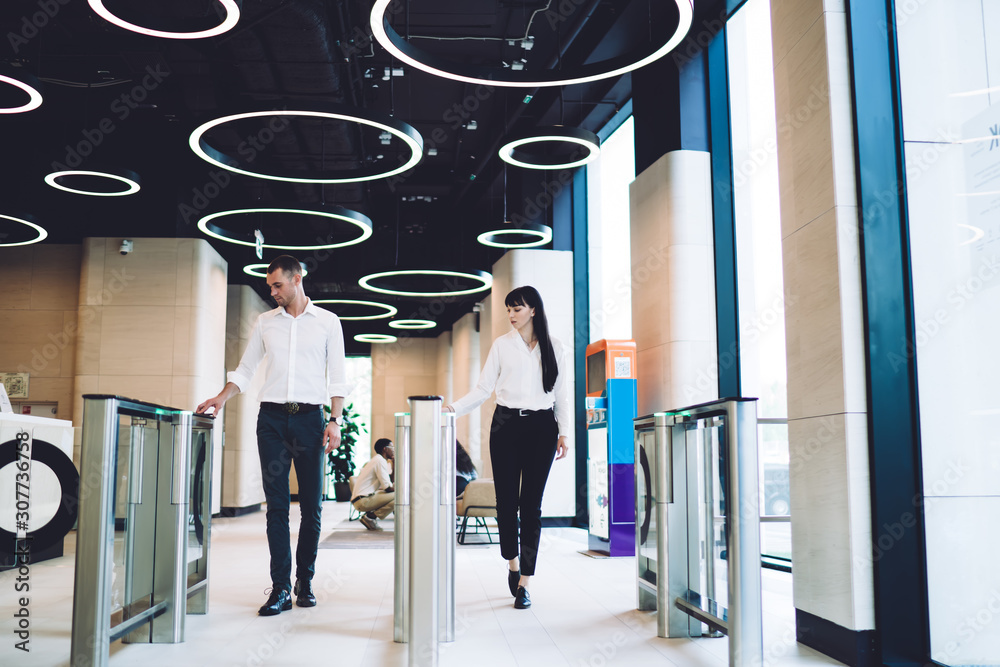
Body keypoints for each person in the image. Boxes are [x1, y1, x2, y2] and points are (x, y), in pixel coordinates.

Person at [196, 255, 350, 616]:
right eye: (270, 286)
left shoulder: (328, 322)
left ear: (297, 279)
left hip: (311, 420)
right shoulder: (265, 322)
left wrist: (335, 420)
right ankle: (280, 588)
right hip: (272, 421)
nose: (273, 292)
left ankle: (304, 581)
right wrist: (220, 398)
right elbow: (246, 368)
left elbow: (338, 376)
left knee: (311, 507)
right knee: (277, 507)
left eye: (277, 285)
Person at [445, 286, 570, 610]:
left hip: (542, 427)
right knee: (506, 503)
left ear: (533, 310)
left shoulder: (555, 346)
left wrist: (565, 433)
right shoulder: (502, 345)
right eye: (509, 309)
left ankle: (525, 581)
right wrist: (453, 409)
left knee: (531, 506)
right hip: (506, 426)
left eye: (517, 309)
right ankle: (512, 562)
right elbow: (483, 389)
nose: (511, 315)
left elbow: (562, 394)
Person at [352, 438, 395, 530]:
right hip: (362, 501)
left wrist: (394, 464)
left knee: (397, 494)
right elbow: (388, 488)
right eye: (392, 447)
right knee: (401, 496)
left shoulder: (378, 459)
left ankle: (370, 517)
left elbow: (389, 485)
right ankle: (370, 517)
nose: (393, 450)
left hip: (361, 499)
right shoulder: (380, 461)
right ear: (385, 449)